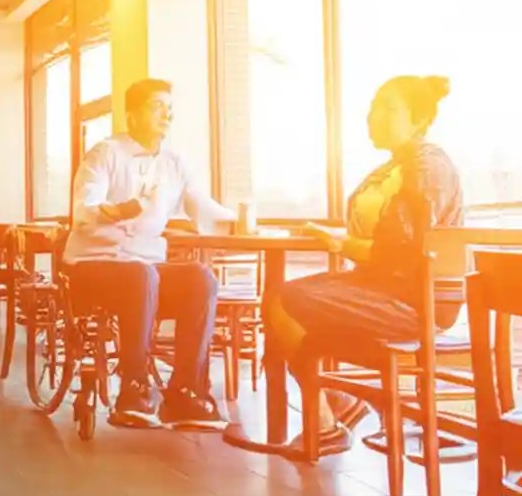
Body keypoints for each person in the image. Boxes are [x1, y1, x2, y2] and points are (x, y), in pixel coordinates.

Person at [269, 75, 462, 452]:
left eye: (388, 107)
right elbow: (378, 235)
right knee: (282, 309)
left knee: (284, 303)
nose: (374, 116)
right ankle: (339, 404)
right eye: (374, 106)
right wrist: (341, 240)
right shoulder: (392, 168)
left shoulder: (428, 168)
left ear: (419, 119)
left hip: (414, 299)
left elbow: (403, 252)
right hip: (380, 287)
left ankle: (331, 415)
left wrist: (342, 244)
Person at [64, 78, 235, 429]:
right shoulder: (106, 152)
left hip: (144, 267)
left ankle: (186, 391)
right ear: (131, 116)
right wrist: (112, 211)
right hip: (94, 263)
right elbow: (83, 209)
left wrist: (240, 220)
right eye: (157, 106)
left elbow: (201, 206)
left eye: (169, 108)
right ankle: (134, 388)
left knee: (199, 278)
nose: (167, 114)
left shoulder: (176, 163)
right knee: (141, 274)